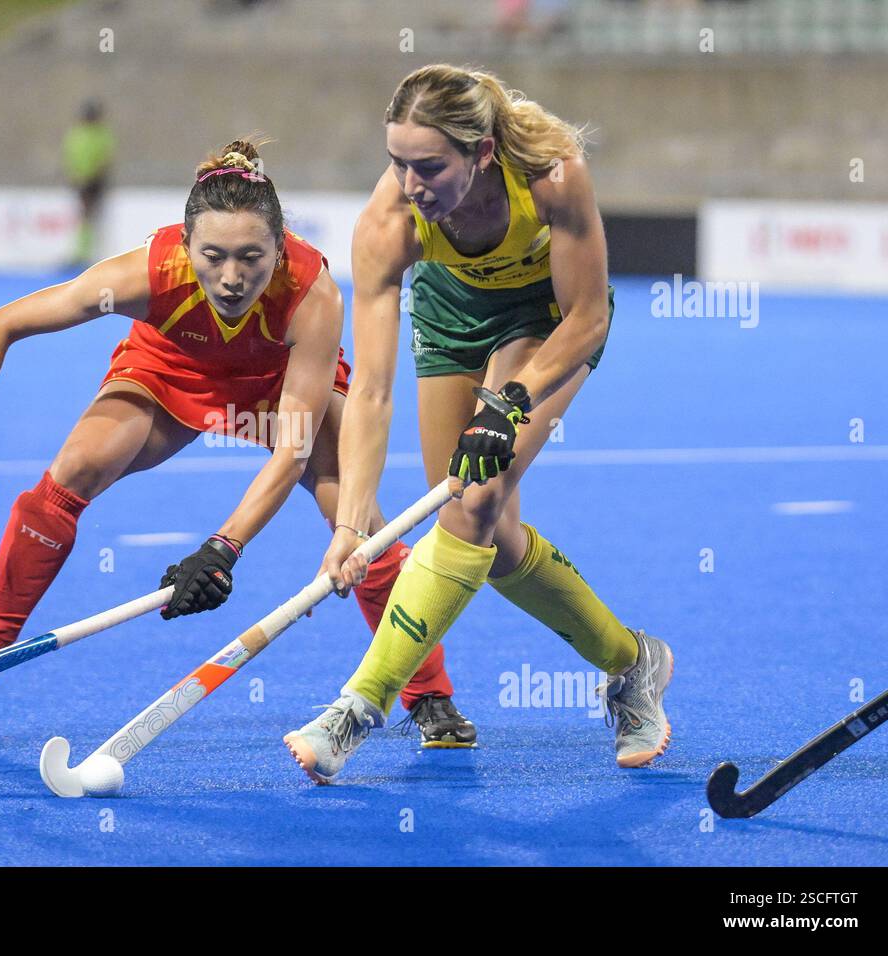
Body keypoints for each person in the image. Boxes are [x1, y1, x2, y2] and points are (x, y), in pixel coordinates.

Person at [0, 140, 476, 747]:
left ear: (280, 249)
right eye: (213, 256)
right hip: (170, 373)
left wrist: (223, 548)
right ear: (185, 247)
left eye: (252, 257)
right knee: (70, 473)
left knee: (355, 521)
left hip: (274, 390)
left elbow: (293, 447)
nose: (231, 278)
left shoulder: (313, 295)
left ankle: (428, 694)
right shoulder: (147, 273)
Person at [284, 65, 674, 783]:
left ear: (482, 154)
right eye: (397, 162)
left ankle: (357, 707)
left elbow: (586, 317)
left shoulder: (552, 176)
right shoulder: (388, 225)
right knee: (483, 539)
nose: (410, 184)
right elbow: (369, 391)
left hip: (545, 322)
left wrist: (514, 395)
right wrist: (352, 527)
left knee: (472, 504)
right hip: (448, 321)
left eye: (429, 166)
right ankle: (633, 662)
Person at [62, 100, 115, 266]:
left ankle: (87, 253)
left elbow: (104, 159)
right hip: (84, 180)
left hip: (92, 181)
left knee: (89, 218)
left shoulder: (91, 134)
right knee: (86, 218)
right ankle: (85, 253)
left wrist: (86, 177)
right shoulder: (91, 134)